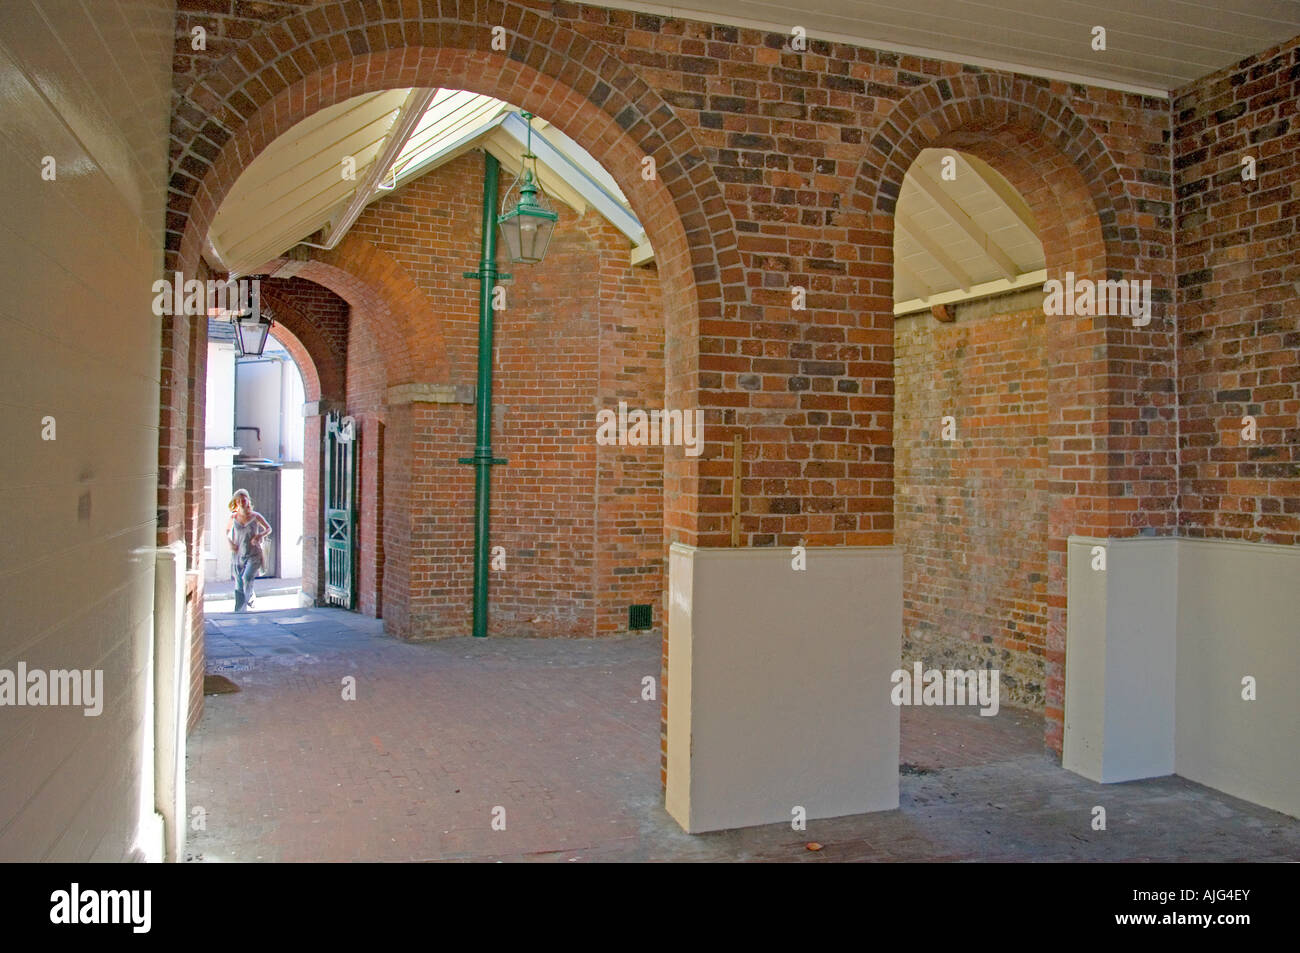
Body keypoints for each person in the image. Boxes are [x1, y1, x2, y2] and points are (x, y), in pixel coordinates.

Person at [226, 489, 271, 611]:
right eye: (239, 500)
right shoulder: (233, 517)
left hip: (254, 553)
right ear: (236, 502)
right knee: (239, 581)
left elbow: (268, 528)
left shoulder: (256, 516)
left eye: (244, 499)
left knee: (246, 577)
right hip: (238, 553)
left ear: (248, 500)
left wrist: (259, 536)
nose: (242, 501)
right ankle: (240, 608)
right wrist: (230, 543)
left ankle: (247, 600)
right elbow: (227, 532)